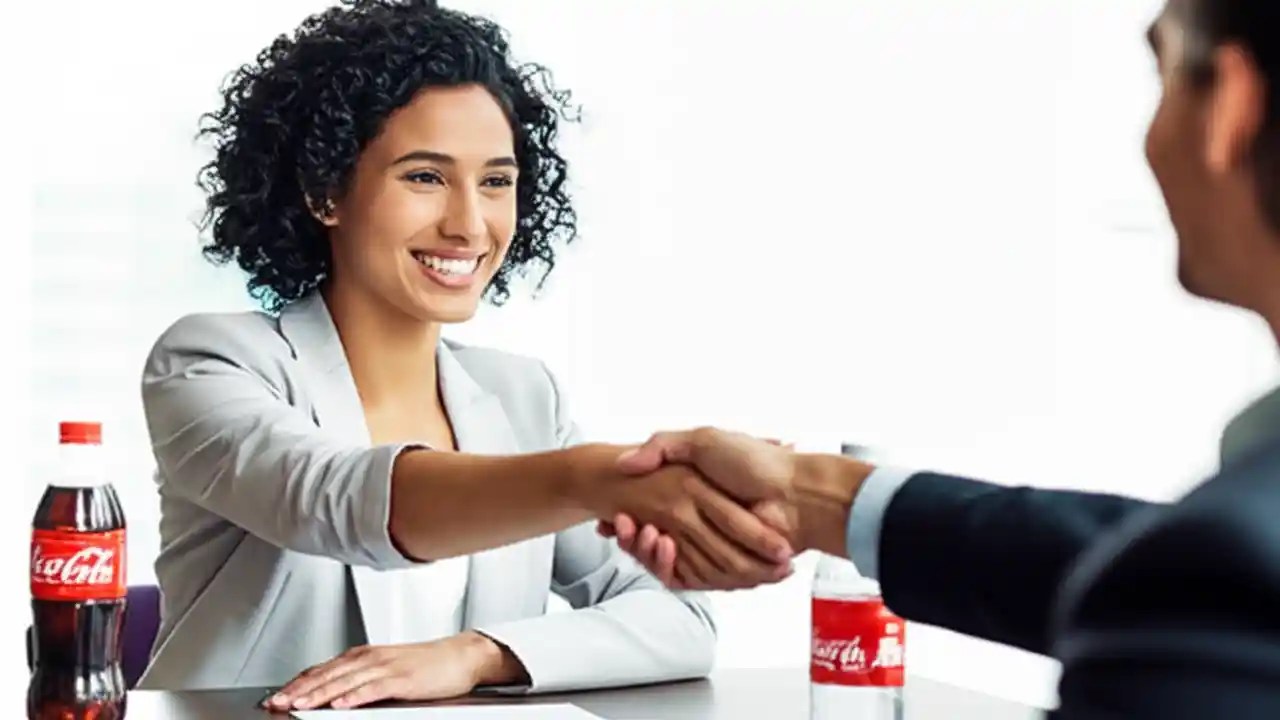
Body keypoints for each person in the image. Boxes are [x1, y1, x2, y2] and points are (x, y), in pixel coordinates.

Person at [603, 1, 1280, 717]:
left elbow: (1197, 586)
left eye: (1163, 70)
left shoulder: (1223, 577)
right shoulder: (1222, 560)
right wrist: (814, 497)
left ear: (1230, 110)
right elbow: (1158, 571)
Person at [136, 0, 794, 711]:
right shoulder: (210, 362)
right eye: (425, 177)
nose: (468, 224)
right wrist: (599, 478)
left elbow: (679, 621)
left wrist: (480, 654)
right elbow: (337, 499)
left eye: (496, 181)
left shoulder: (521, 395)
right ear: (326, 190)